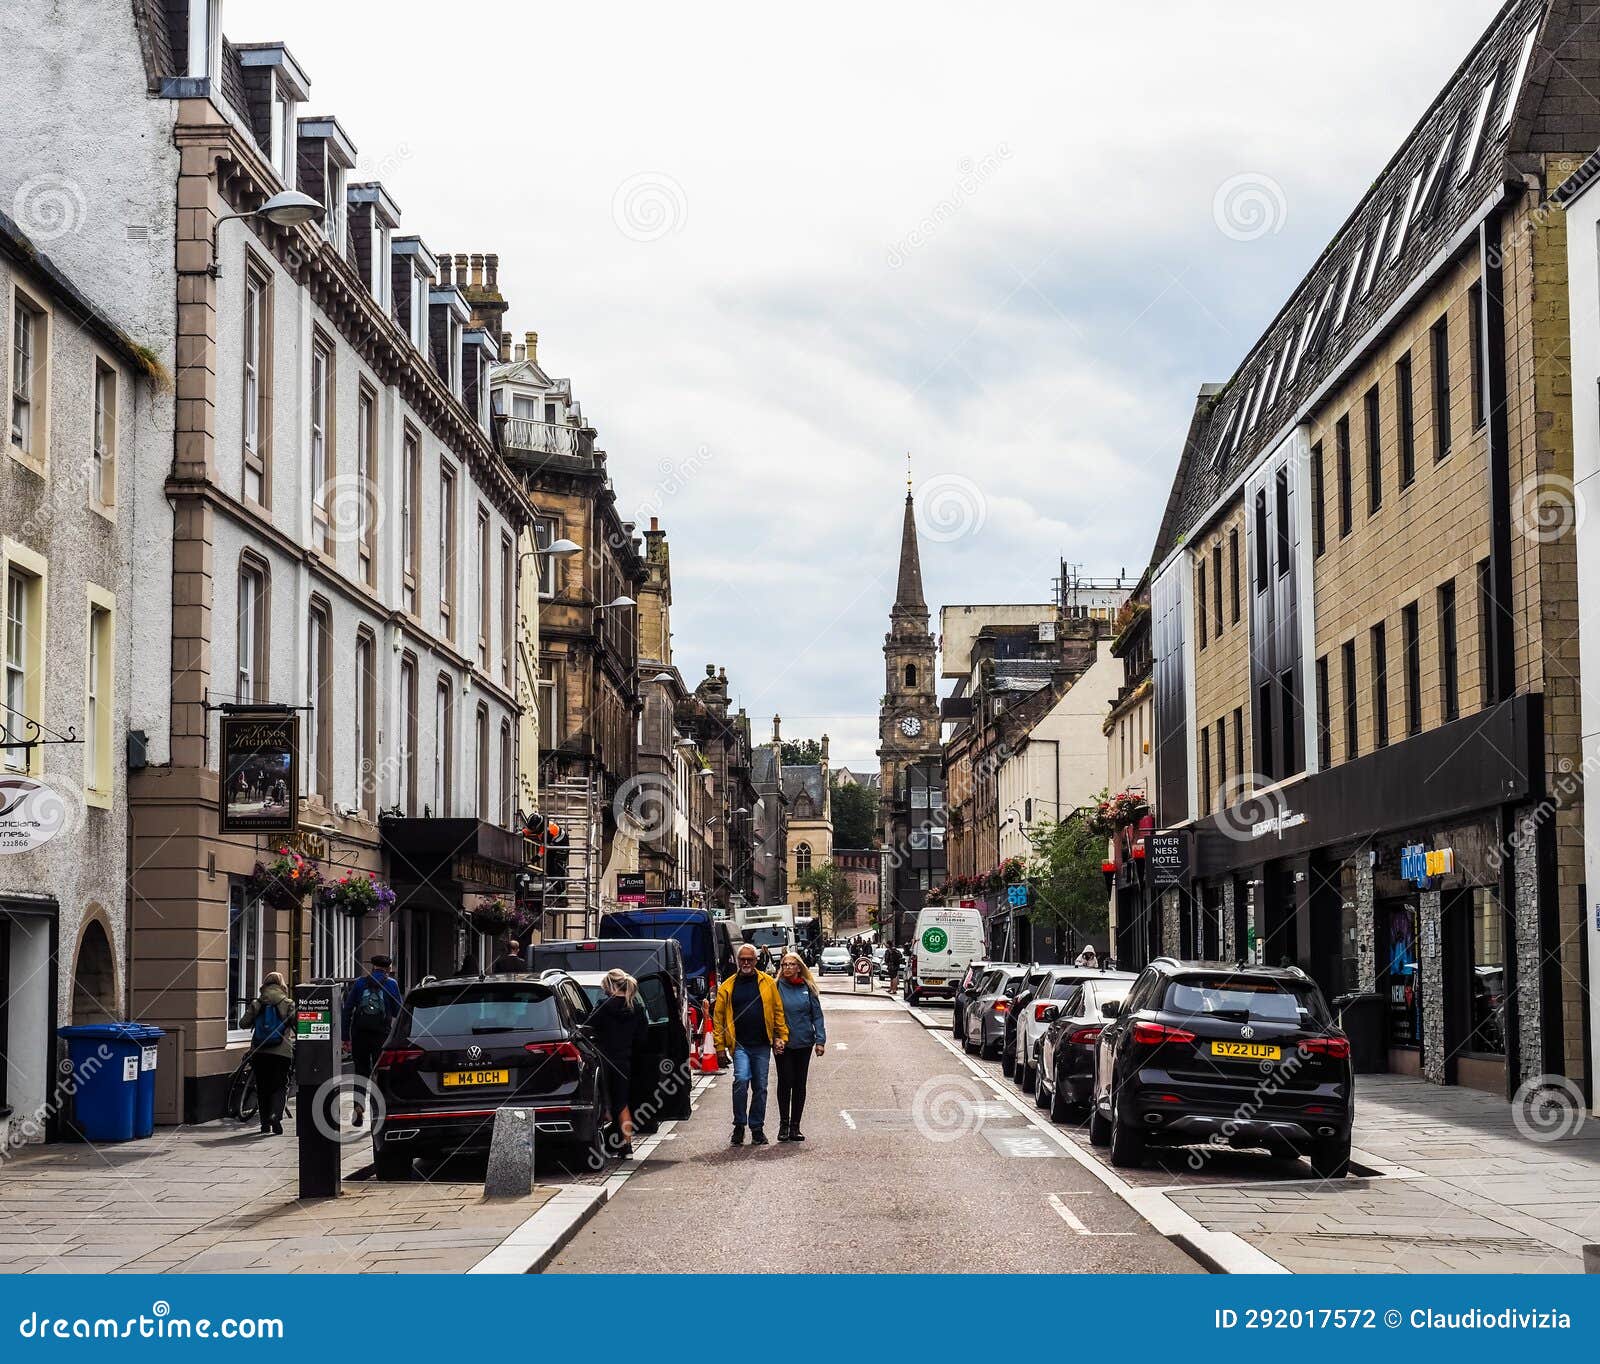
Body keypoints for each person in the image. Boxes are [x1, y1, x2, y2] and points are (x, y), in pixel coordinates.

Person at [713, 943, 789, 1145]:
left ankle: (757, 1128)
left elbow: (778, 1012)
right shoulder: (727, 986)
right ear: (738, 961)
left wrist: (781, 1036)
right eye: (742, 960)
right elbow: (718, 1019)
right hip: (739, 1045)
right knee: (740, 1080)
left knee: (760, 1087)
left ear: (756, 960)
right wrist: (719, 1047)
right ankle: (739, 1125)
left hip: (762, 1045)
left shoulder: (768, 983)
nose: (746, 963)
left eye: (750, 959)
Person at [586, 968, 643, 1156]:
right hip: (624, 1060)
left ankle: (600, 1142)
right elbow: (642, 1036)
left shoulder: (603, 1006)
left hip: (603, 1059)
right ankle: (627, 1145)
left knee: (602, 1099)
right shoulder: (635, 1007)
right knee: (622, 1102)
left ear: (610, 986)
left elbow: (588, 1026)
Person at [342, 954, 404, 1126]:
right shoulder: (391, 984)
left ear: (373, 967)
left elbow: (347, 1010)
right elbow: (398, 1011)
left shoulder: (360, 983)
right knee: (380, 1073)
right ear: (388, 968)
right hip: (381, 1035)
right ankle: (376, 1111)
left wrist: (345, 1037)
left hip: (359, 1034)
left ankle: (358, 1105)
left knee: (360, 1071)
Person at [774, 952, 826, 1142]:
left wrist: (820, 1040)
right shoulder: (776, 987)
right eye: (784, 964)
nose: (787, 968)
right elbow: (770, 1014)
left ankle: (795, 1126)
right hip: (783, 1043)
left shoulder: (808, 987)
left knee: (799, 1083)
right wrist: (774, 1038)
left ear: (799, 967)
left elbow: (817, 1016)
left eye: (791, 964)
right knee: (785, 1081)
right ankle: (783, 1125)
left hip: (804, 1042)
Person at [239, 971, 294, 1135]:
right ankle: (275, 1116)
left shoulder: (257, 1003)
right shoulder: (288, 1003)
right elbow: (298, 1024)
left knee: (263, 1087)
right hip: (282, 1052)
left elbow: (243, 1023)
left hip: (260, 1051)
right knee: (280, 1085)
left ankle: (264, 1125)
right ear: (281, 984)